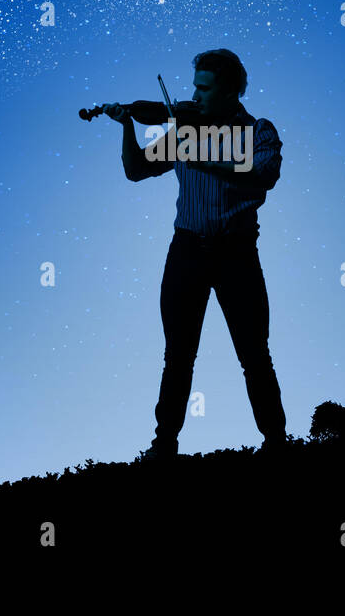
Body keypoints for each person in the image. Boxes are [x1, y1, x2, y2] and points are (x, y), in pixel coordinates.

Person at [103, 49, 289, 462]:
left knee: (254, 352)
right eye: (194, 87)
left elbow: (263, 175)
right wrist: (127, 125)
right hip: (186, 252)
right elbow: (135, 171)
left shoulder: (258, 130)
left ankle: (277, 442)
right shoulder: (186, 129)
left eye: (204, 89)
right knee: (178, 355)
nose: (194, 96)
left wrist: (202, 158)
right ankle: (164, 444)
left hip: (237, 255)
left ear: (230, 90)